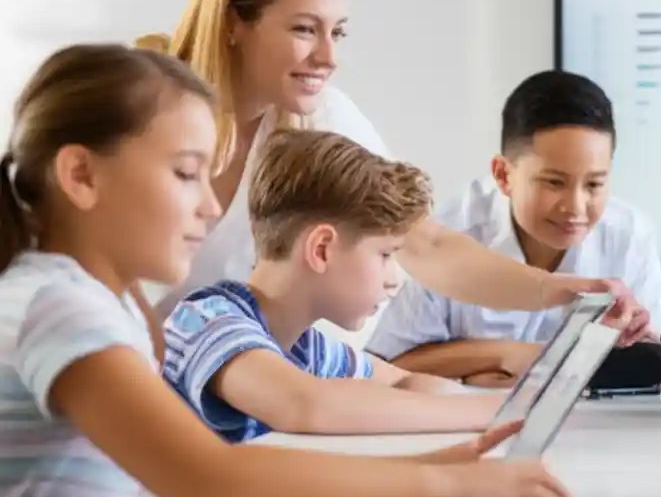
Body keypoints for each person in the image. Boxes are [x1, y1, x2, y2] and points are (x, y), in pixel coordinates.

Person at [0, 45, 569, 497]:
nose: (210, 205)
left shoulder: (104, 306)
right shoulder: (60, 307)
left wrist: (428, 462)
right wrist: (444, 484)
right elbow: (212, 483)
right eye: (184, 173)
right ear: (81, 175)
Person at [145, 0, 647, 340]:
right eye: (304, 29)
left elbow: (423, 243)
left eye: (336, 32)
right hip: (139, 388)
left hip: (231, 390)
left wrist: (561, 291)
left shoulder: (319, 119)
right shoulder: (147, 114)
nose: (328, 57)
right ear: (235, 21)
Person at [164, 129, 506, 441]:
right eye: (385, 254)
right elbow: (305, 405)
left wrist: (485, 402)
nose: (395, 280)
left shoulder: (306, 350)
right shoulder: (205, 322)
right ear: (322, 249)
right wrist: (492, 413)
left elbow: (402, 381)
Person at [366, 71, 661, 385]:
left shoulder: (627, 235)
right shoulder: (445, 236)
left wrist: (474, 362)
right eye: (554, 183)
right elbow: (387, 364)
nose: (575, 206)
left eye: (595, 184)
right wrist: (509, 354)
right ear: (503, 175)